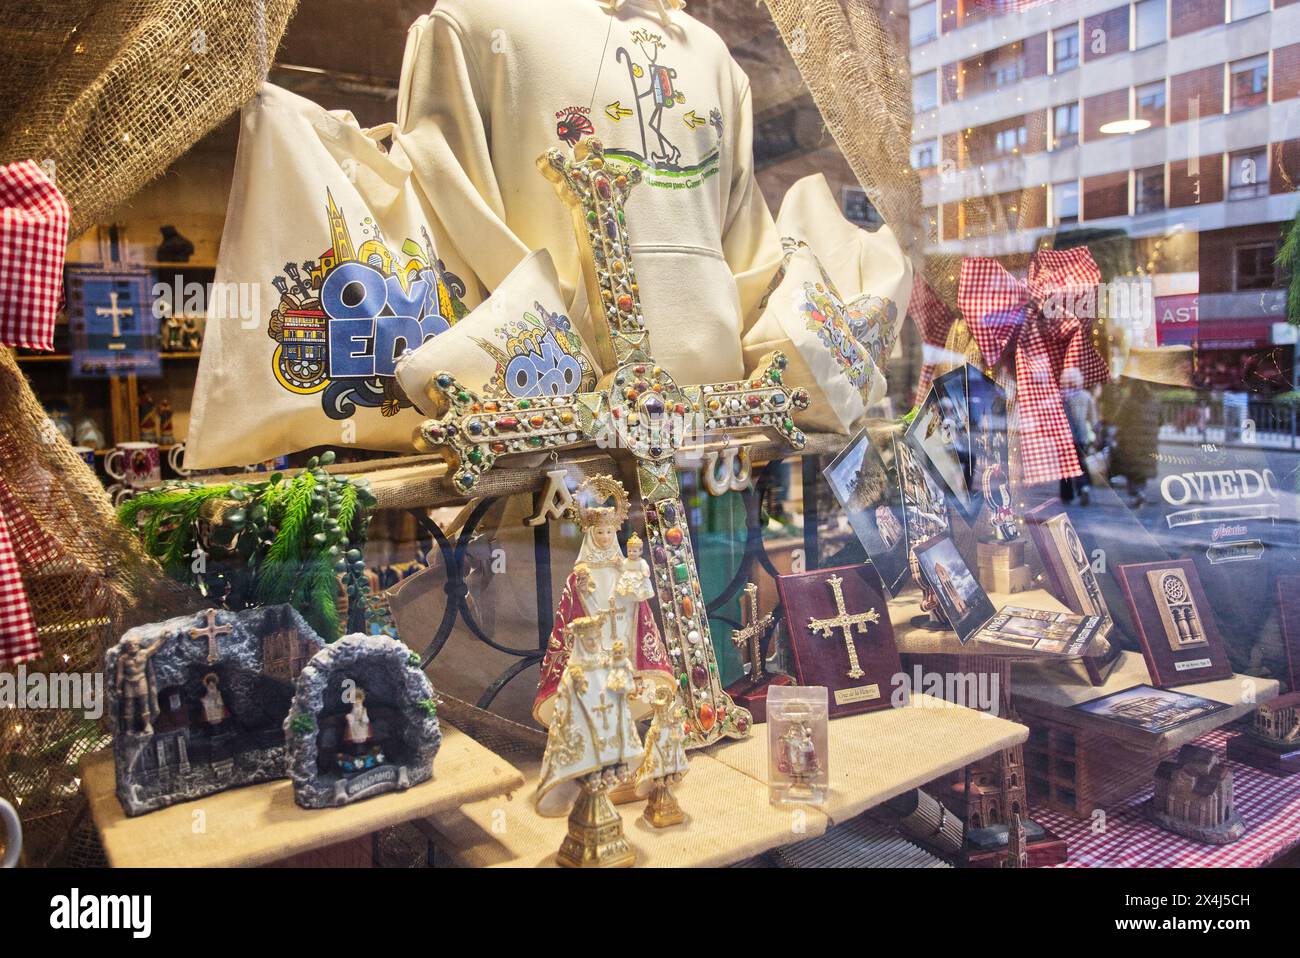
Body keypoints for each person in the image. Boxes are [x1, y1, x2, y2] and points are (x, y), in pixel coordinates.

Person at [1060, 366, 1098, 506]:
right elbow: (1093, 418)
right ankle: (1084, 487)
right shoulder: (1086, 396)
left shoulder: (1060, 396)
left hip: (1064, 437)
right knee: (1081, 463)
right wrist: (1096, 433)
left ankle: (1067, 495)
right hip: (1081, 435)